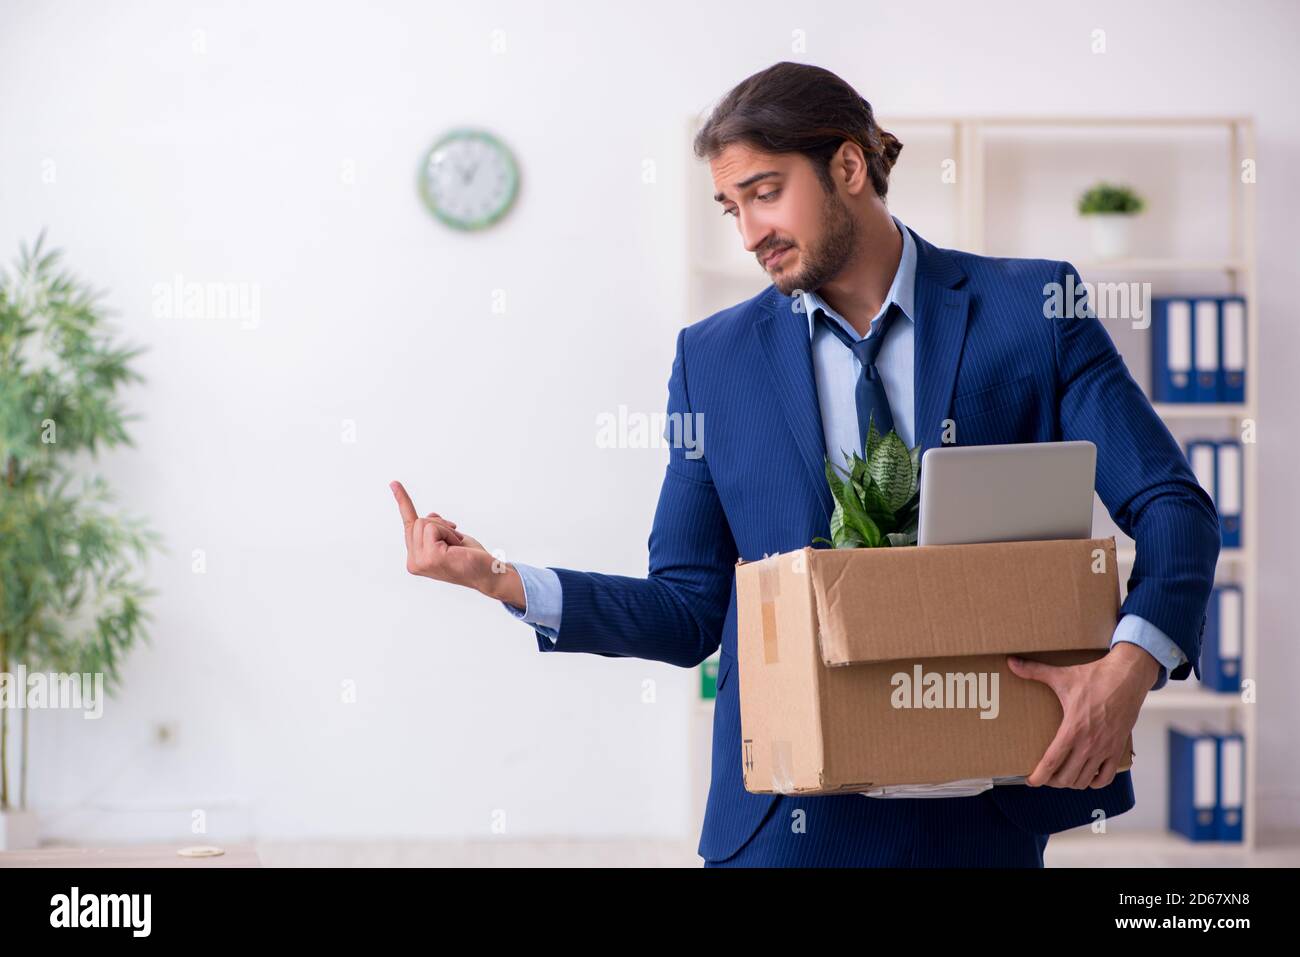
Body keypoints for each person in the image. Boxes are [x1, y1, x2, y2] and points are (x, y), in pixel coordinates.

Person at [388, 62, 1220, 867]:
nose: (751, 232)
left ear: (848, 165)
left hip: (987, 803)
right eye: (730, 208)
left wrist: (1128, 669)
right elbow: (688, 607)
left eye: (765, 192)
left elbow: (1173, 506)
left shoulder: (1032, 310)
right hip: (787, 824)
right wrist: (501, 579)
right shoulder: (711, 360)